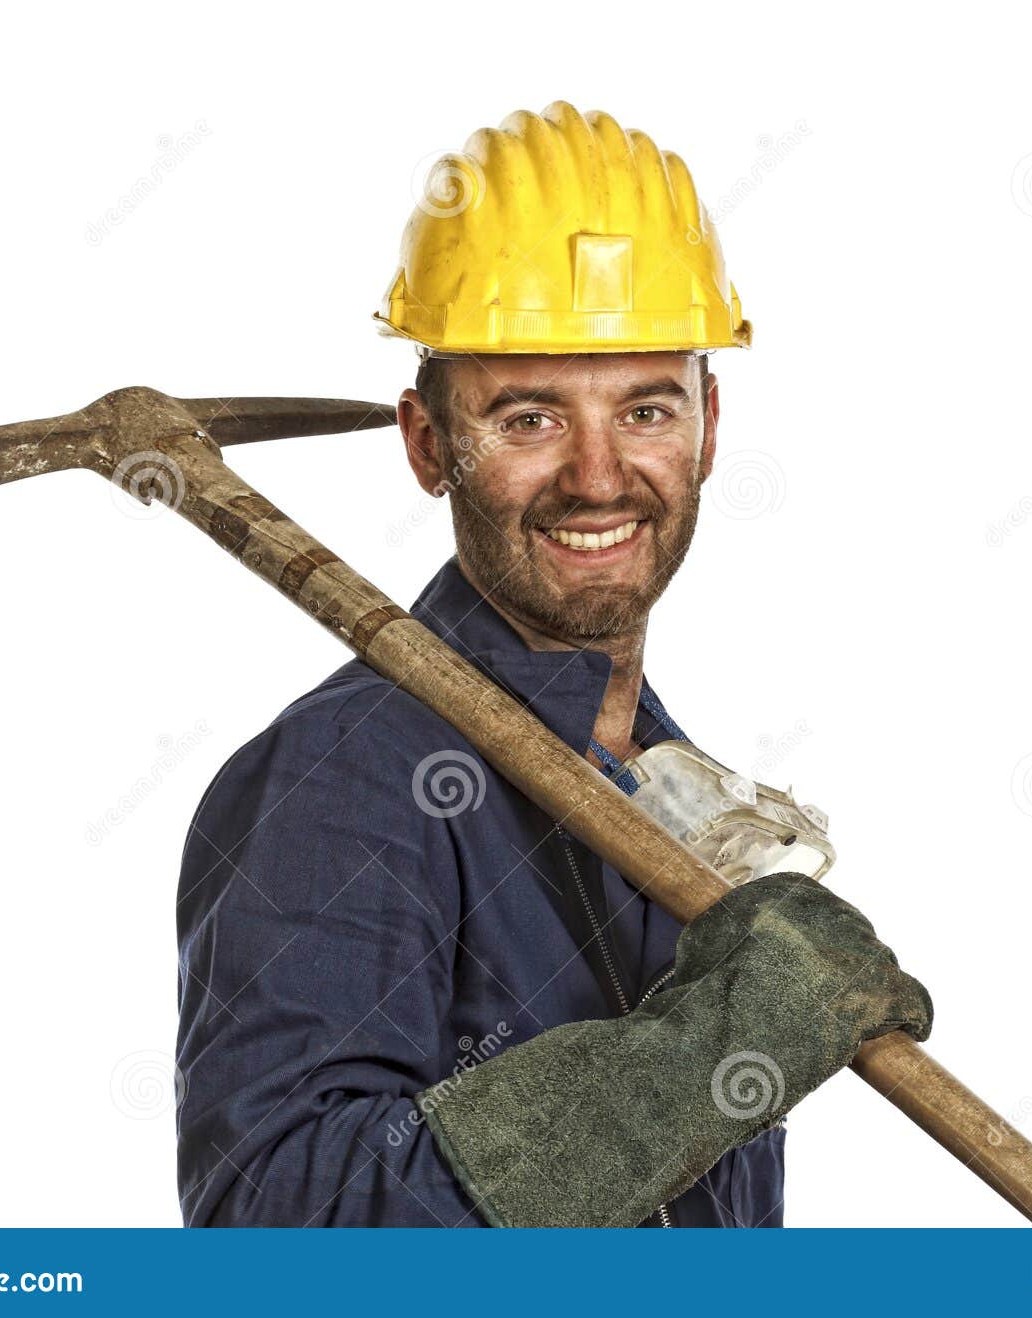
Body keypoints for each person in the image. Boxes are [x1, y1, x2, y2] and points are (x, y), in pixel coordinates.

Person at [174, 102, 932, 1228]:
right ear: (429, 443)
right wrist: (703, 1056)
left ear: (708, 426)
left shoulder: (669, 788)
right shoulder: (344, 780)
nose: (598, 476)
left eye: (646, 409)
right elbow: (282, 1227)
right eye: (529, 418)